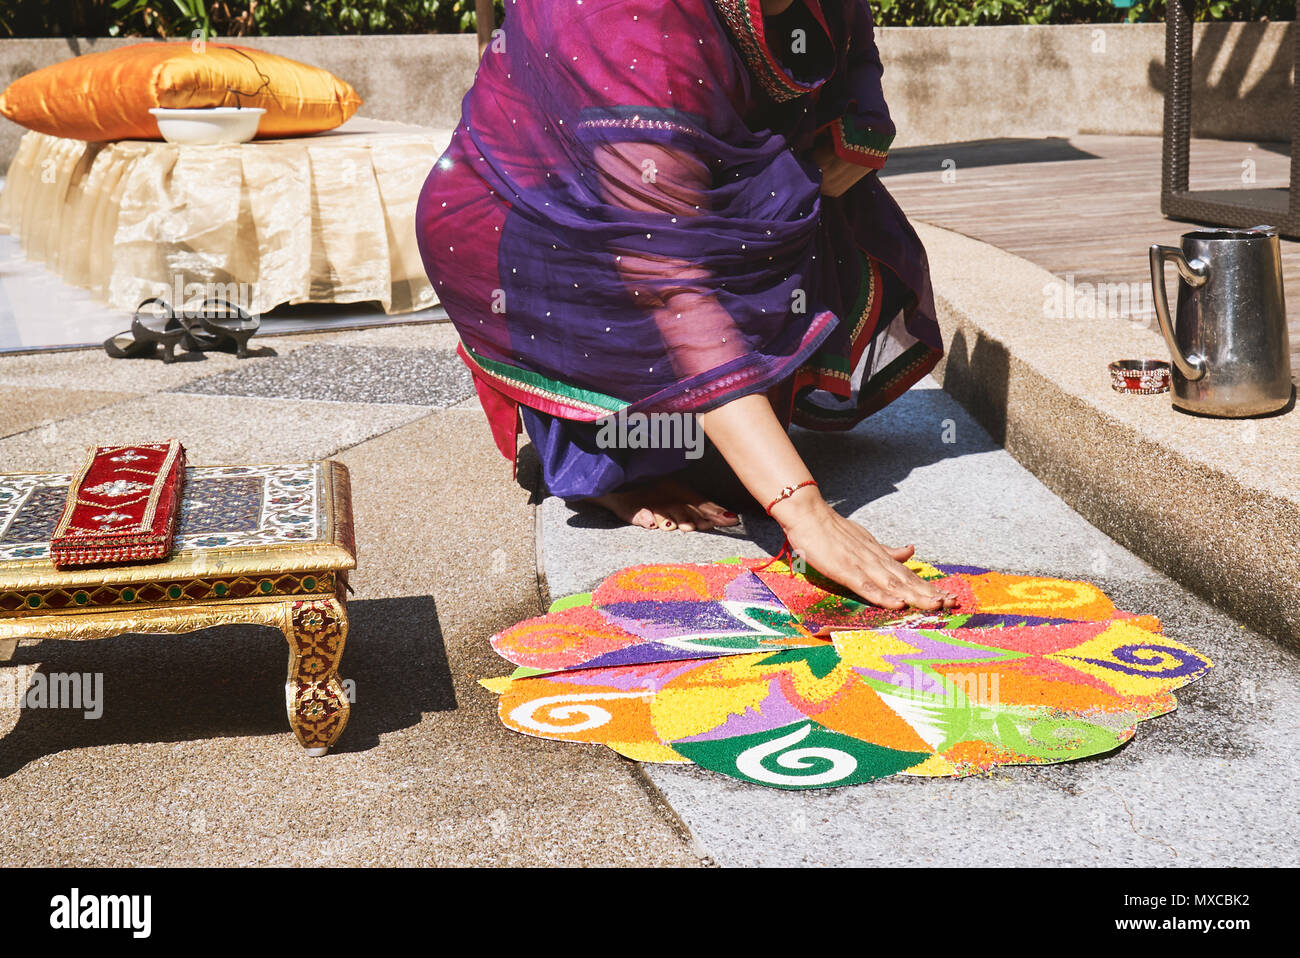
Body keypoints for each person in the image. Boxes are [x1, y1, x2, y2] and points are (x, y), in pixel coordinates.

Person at [417, 0, 955, 611]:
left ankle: (681, 433)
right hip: (544, 214)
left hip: (707, 178)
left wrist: (855, 135)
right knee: (662, 421)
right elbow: (664, 277)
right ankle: (603, 466)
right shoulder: (623, 21)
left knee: (721, 462)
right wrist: (804, 510)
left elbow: (851, 49)